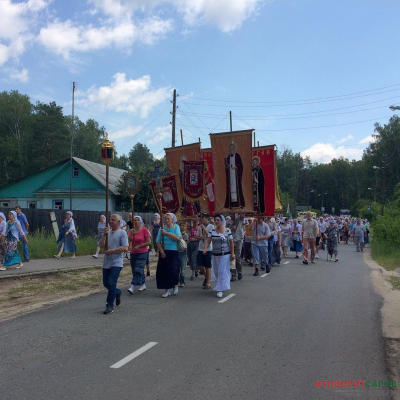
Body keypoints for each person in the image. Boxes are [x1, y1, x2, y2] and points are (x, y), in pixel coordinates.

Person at [99, 214, 129, 314]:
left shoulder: (122, 233)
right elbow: (101, 245)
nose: (111, 221)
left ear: (119, 222)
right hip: (106, 262)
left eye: (113, 220)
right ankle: (117, 292)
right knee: (106, 284)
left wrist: (112, 251)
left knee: (111, 283)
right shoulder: (108, 232)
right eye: (110, 220)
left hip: (117, 262)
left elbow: (125, 248)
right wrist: (104, 234)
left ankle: (109, 305)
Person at [203, 215, 235, 298]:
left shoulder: (227, 230)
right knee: (217, 271)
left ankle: (220, 289)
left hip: (225, 254)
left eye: (218, 220)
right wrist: (205, 248)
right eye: (215, 220)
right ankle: (222, 285)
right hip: (215, 254)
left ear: (222, 221)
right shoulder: (212, 231)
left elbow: (231, 242)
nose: (216, 221)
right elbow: (208, 241)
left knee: (222, 271)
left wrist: (232, 253)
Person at [156, 213, 181, 298]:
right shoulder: (161, 228)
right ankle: (167, 289)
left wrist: (166, 233)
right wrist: (162, 252)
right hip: (164, 251)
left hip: (173, 251)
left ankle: (175, 284)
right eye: (165, 219)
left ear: (172, 219)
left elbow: (177, 238)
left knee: (173, 270)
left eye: (168, 219)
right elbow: (157, 241)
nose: (166, 220)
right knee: (164, 271)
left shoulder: (175, 227)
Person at [127, 216, 151, 294]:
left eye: (138, 220)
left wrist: (140, 246)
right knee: (135, 269)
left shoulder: (145, 230)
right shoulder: (131, 230)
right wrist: (131, 235)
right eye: (135, 220)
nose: (136, 222)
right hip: (133, 252)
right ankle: (143, 284)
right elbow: (127, 240)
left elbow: (149, 242)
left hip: (143, 252)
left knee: (138, 268)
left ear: (140, 222)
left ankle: (132, 286)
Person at [196, 213, 214, 290]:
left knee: (207, 266)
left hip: (208, 248)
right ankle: (207, 277)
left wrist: (204, 229)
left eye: (203, 217)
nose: (202, 219)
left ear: (207, 218)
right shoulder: (200, 227)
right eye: (201, 218)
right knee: (200, 265)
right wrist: (200, 237)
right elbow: (197, 237)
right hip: (200, 247)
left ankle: (208, 283)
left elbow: (210, 236)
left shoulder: (211, 226)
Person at [224, 142, 245, 209]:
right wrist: (224, 159)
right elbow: (226, 167)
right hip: (230, 176)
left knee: (237, 189)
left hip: (236, 176)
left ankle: (239, 203)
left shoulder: (237, 155)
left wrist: (237, 166)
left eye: (232, 148)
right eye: (230, 149)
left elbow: (241, 165)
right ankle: (231, 204)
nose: (231, 150)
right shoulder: (228, 157)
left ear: (234, 149)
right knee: (230, 189)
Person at [226, 212, 246, 281]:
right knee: (232, 258)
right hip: (231, 241)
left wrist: (241, 210)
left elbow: (243, 214)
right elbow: (226, 232)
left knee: (237, 257)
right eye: (231, 214)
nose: (232, 215)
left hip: (238, 240)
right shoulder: (228, 222)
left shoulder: (239, 219)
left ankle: (239, 271)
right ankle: (233, 275)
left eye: (234, 214)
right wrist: (231, 229)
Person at [178, 221, 189, 288]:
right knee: (177, 267)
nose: (183, 227)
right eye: (182, 226)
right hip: (177, 251)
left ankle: (182, 281)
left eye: (184, 226)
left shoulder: (186, 235)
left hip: (183, 252)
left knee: (183, 268)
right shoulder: (177, 233)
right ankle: (177, 280)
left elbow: (185, 244)